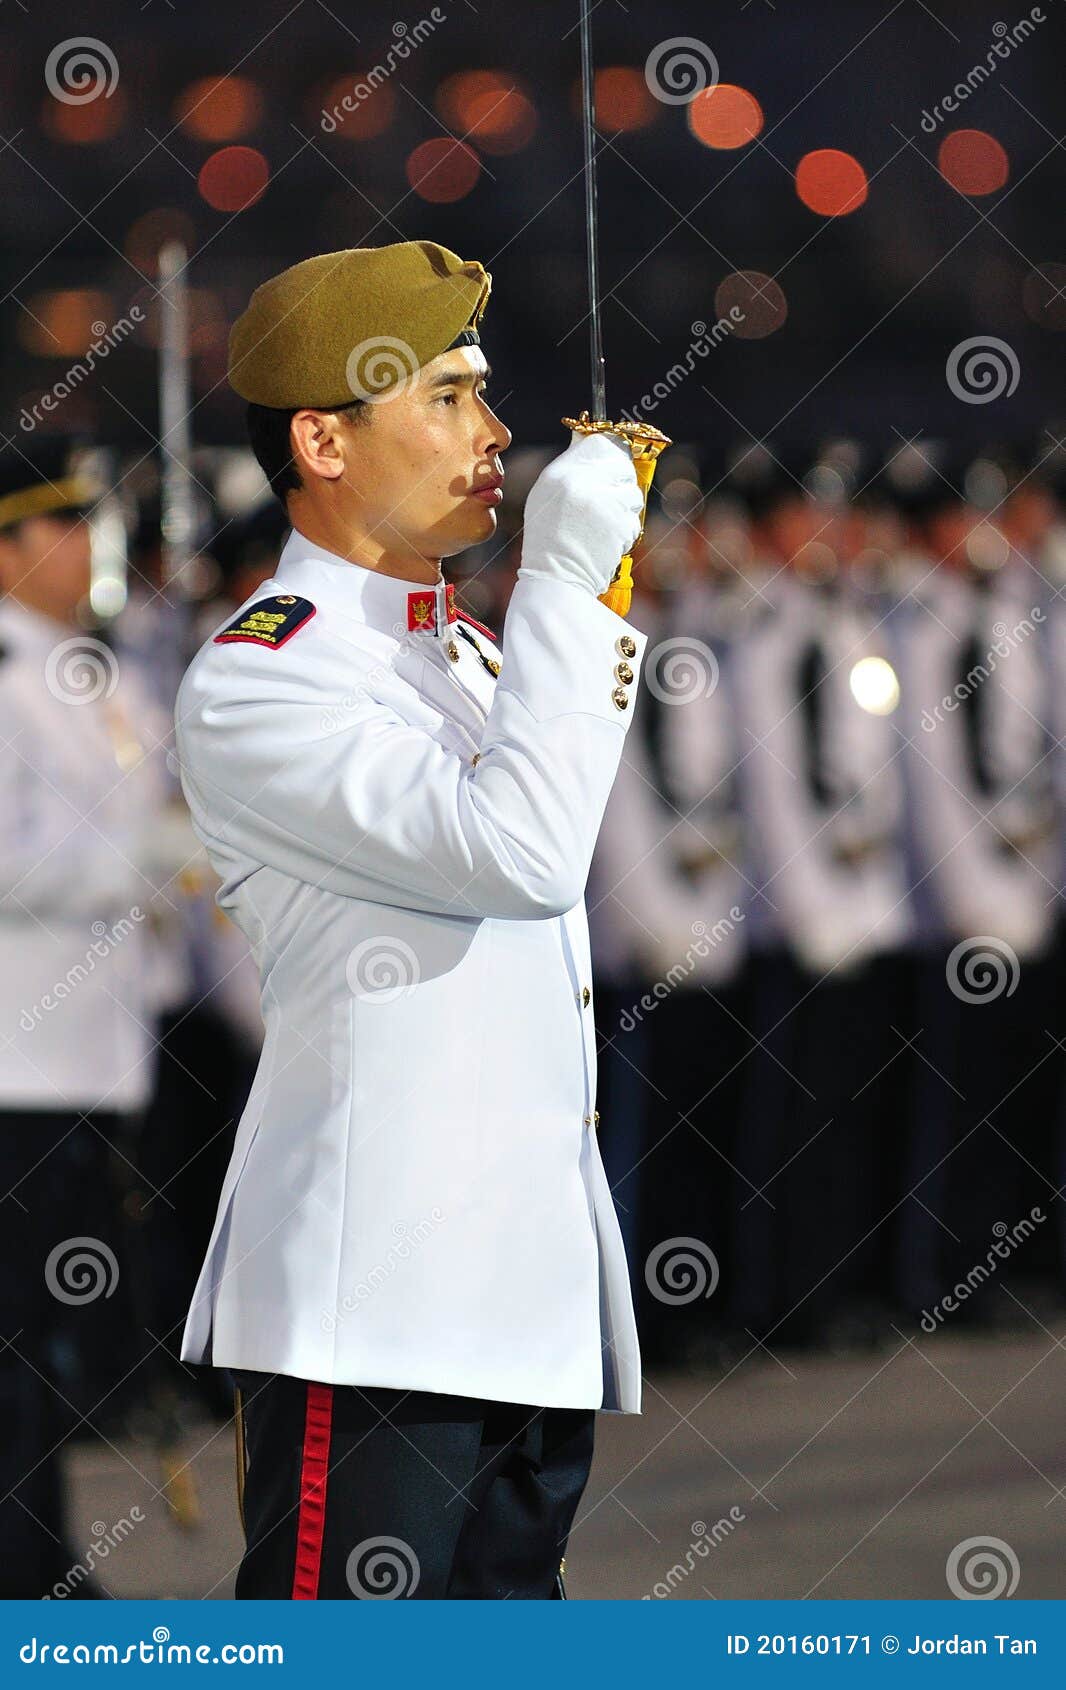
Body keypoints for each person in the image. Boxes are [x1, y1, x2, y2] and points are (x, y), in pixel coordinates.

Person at [172, 239, 649, 1599]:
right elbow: (523, 853)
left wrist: (550, 609)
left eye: (485, 394)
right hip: (376, 1299)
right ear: (321, 439)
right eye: (444, 396)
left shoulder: (455, 649)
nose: (495, 433)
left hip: (522, 1290)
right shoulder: (265, 682)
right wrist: (568, 583)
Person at [0, 439, 180, 1596]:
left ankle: (40, 1549)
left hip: (92, 1051)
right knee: (14, 1335)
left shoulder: (91, 672)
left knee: (44, 1338)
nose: (87, 550)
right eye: (61, 528)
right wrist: (139, 858)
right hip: (17, 1056)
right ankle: (28, 1564)